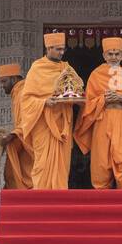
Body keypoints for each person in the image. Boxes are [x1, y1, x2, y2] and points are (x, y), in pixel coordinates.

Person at [15, 33, 82, 190]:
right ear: (48, 48)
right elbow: (26, 99)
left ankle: (59, 201)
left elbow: (76, 89)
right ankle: (40, 201)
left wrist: (76, 99)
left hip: (62, 123)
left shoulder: (67, 68)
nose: (61, 53)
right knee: (42, 164)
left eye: (63, 49)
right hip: (43, 123)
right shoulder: (37, 68)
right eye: (58, 49)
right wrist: (44, 102)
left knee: (62, 165)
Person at [75, 37, 122, 190]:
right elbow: (86, 105)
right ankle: (101, 206)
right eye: (110, 54)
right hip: (102, 121)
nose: (113, 57)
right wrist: (103, 99)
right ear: (104, 55)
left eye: (117, 54)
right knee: (101, 165)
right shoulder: (96, 75)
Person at [0, 63, 33, 189]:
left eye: (4, 81)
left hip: (28, 142)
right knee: (10, 173)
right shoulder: (17, 93)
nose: (2, 86)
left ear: (13, 79)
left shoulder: (23, 93)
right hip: (21, 141)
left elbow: (29, 120)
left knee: (17, 175)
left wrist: (12, 135)